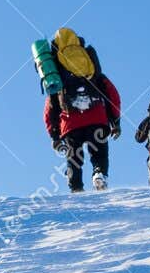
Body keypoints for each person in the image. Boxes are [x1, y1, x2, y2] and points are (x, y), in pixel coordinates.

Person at [43, 28, 121, 193]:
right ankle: (99, 173)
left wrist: (54, 135)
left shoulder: (56, 74)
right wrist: (115, 121)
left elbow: (50, 108)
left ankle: (76, 186)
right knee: (99, 152)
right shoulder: (90, 66)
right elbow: (112, 94)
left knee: (74, 157)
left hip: (70, 122)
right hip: (96, 117)